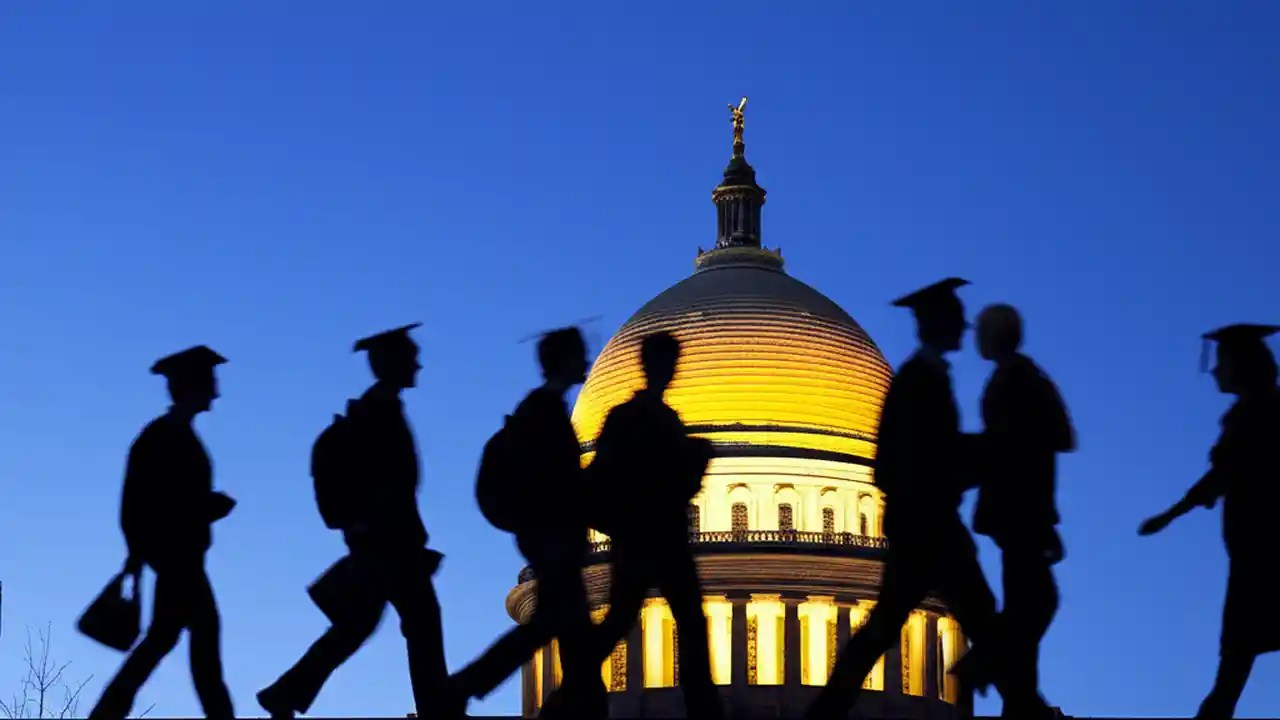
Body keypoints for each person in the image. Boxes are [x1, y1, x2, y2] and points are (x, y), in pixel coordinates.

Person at [806, 278, 1005, 720]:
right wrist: (987, 454)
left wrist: (972, 457)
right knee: (966, 618)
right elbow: (916, 456)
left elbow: (926, 453)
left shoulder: (927, 376)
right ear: (935, 324)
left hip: (926, 526)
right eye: (955, 319)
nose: (963, 327)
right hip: (926, 527)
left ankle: (1005, 688)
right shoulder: (918, 380)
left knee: (966, 618)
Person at [258, 324, 460, 719]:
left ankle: (284, 693)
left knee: (357, 627)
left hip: (389, 543)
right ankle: (436, 709)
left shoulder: (382, 413)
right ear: (390, 363)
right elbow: (383, 487)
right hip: (386, 544)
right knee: (420, 623)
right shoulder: (373, 418)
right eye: (410, 356)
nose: (418, 363)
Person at [450, 326, 607, 718]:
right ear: (564, 361)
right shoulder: (544, 411)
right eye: (578, 355)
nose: (586, 363)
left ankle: (562, 705)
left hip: (553, 541)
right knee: (557, 630)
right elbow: (560, 486)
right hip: (552, 541)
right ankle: (466, 684)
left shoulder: (542, 408)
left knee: (564, 635)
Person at [573, 331, 722, 719]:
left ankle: (704, 707)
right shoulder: (629, 418)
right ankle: (569, 693)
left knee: (686, 623)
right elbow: (607, 479)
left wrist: (692, 460)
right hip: (645, 538)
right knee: (626, 622)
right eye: (665, 362)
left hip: (665, 539)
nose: (670, 370)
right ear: (653, 365)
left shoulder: (663, 418)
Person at [1139, 323, 1280, 720]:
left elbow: (1222, 475)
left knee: (1239, 644)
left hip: (1262, 549)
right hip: (1255, 548)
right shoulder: (1258, 411)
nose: (1216, 371)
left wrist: (1169, 515)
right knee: (1240, 645)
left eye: (1223, 362)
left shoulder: (1255, 416)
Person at [89, 346, 236, 720]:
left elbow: (163, 501)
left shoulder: (171, 435)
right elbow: (148, 503)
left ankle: (106, 713)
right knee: (198, 644)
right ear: (193, 385)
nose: (216, 391)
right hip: (177, 559)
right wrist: (205, 509)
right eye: (210, 381)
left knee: (167, 640)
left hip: (178, 557)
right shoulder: (164, 436)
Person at [972, 304, 1075, 719]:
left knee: (1030, 605)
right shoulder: (1022, 378)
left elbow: (1015, 446)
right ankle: (1014, 695)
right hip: (1021, 515)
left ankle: (998, 674)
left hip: (1018, 512)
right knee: (1033, 604)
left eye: (981, 331)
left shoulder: (1013, 381)